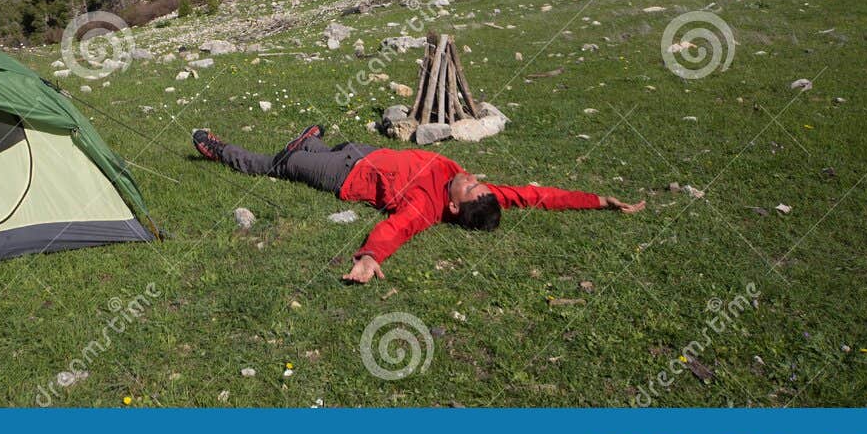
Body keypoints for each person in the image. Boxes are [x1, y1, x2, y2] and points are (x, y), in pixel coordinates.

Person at [192, 125, 644, 283]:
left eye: (471, 188)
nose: (474, 179)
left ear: (453, 208)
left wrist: (369, 257)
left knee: (279, 164)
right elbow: (537, 196)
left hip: (345, 176)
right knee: (308, 150)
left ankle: (221, 150)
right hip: (364, 151)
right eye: (480, 184)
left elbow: (396, 229)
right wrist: (599, 199)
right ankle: (312, 143)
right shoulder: (468, 186)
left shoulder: (428, 207)